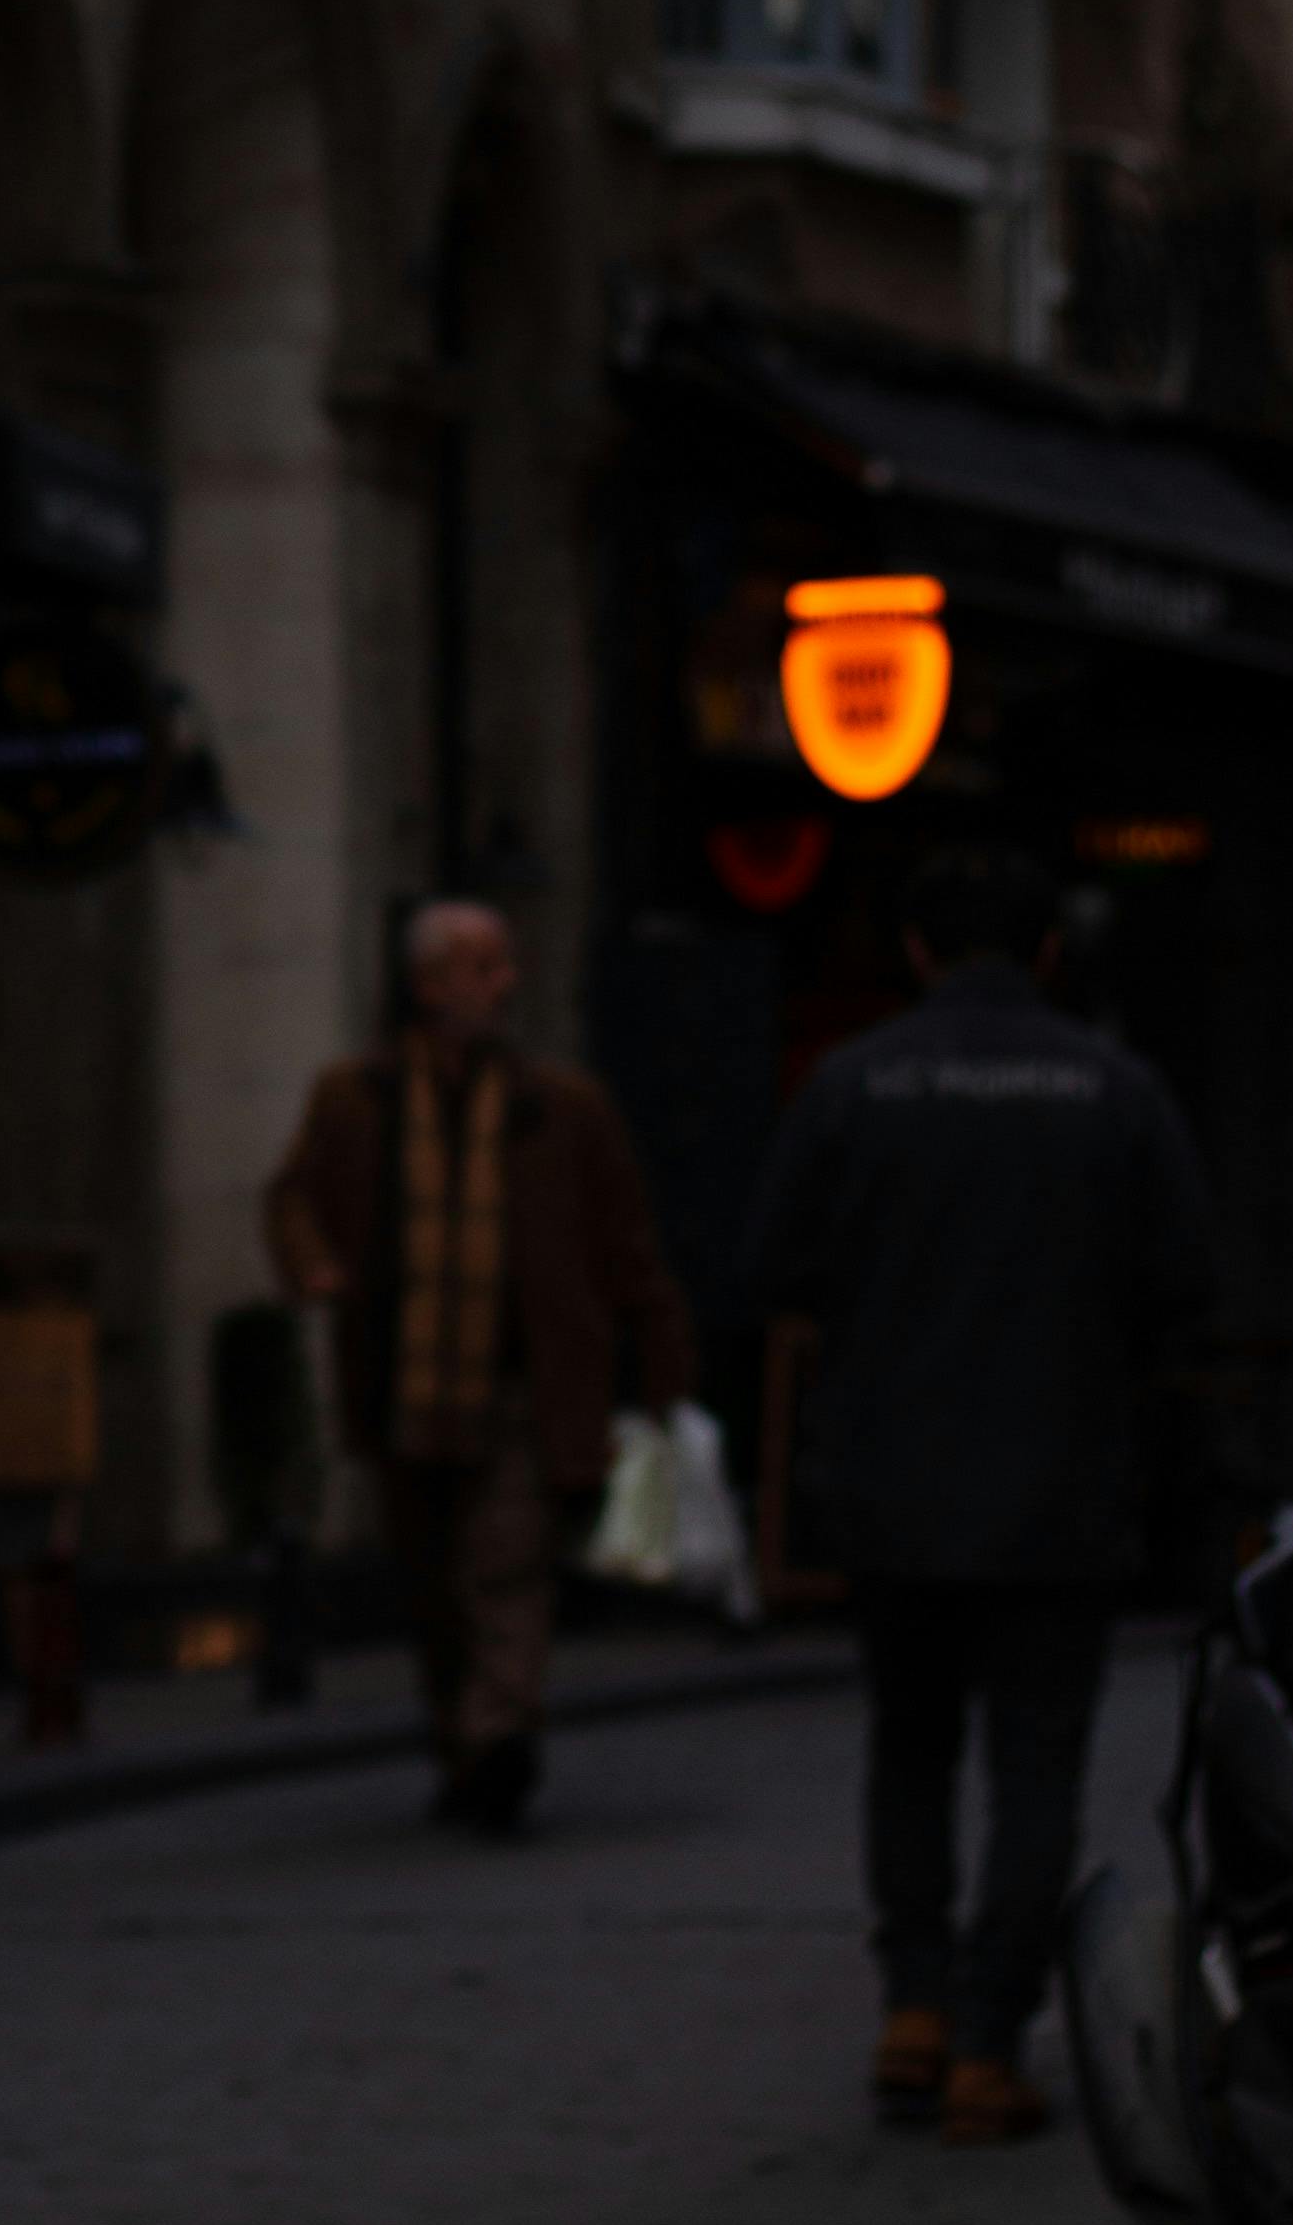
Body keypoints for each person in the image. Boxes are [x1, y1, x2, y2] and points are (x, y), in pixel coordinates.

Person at [744, 836, 1216, 2147]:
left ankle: (910, 2002)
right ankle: (987, 2039)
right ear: (1051, 953)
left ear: (915, 952)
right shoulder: (1112, 1089)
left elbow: (774, 1261)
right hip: (1059, 1483)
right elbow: (1187, 1279)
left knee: (910, 1745)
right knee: (1036, 1759)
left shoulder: (853, 1087)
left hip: (892, 1480)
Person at [264, 897, 690, 1833]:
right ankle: (465, 1738)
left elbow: (625, 1243)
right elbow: (294, 1197)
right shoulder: (357, 1098)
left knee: (506, 1567)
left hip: (519, 1390)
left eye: (503, 966)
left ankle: (500, 1736)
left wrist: (661, 1373)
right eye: (482, 968)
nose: (504, 986)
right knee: (433, 1582)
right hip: (404, 1387)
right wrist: (317, 1267)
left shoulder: (561, 1107)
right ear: (427, 985)